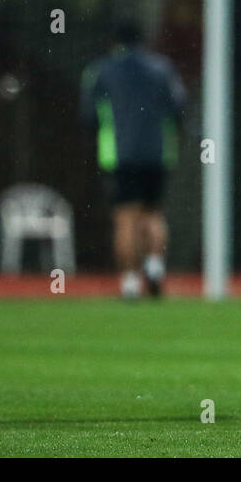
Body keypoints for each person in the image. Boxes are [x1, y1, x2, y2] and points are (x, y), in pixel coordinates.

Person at [81, 22, 186, 298]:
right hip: (157, 152)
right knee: (153, 213)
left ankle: (129, 282)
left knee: (126, 218)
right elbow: (178, 106)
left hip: (120, 154)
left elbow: (88, 115)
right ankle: (153, 266)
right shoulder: (162, 68)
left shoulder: (101, 70)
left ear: (115, 42)